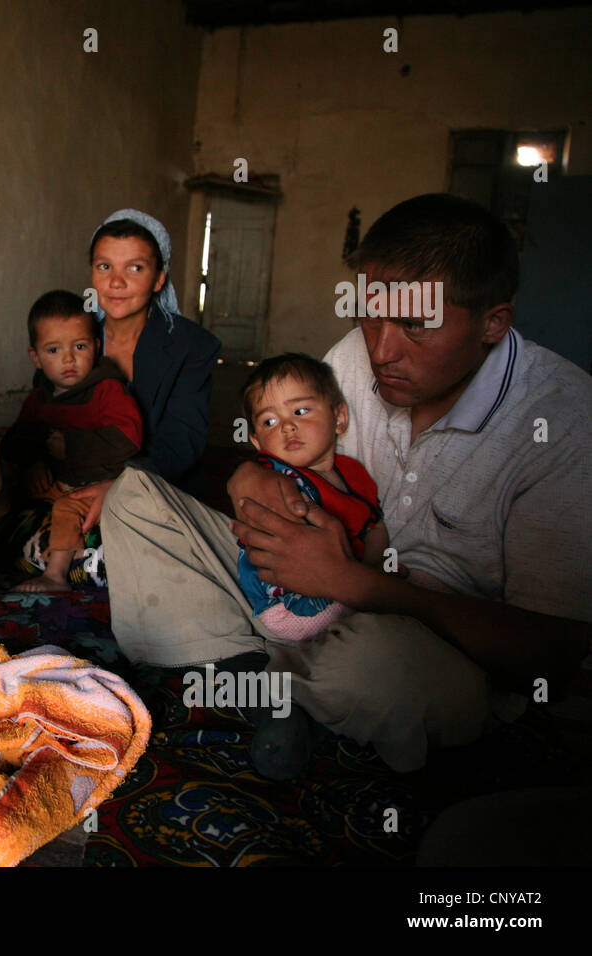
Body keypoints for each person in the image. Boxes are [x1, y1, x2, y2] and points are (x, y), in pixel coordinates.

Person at [102, 193, 592, 777]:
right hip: (297, 592)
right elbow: (285, 438)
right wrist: (248, 477)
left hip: (427, 638)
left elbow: (554, 654)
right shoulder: (353, 360)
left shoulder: (561, 420)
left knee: (376, 674)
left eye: (414, 325)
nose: (382, 349)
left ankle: (237, 663)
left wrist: (351, 582)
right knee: (132, 497)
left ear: (492, 323)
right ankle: (260, 674)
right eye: (370, 312)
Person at [14, 211, 221, 581]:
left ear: (158, 279)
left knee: (148, 552)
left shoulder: (192, 346)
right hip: (72, 484)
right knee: (1, 510)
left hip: (150, 482)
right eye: (104, 266)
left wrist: (120, 486)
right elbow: (45, 408)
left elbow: (183, 441)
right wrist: (36, 462)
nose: (117, 282)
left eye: (136, 268)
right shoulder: (74, 334)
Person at [235, 353, 393, 641]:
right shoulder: (277, 480)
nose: (287, 426)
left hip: (342, 583)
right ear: (257, 442)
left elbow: (375, 529)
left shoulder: (356, 474)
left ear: (339, 418)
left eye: (301, 411)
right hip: (283, 605)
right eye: (269, 421)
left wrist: (370, 575)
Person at [0, 291, 141, 592]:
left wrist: (72, 446)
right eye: (53, 350)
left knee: (65, 508)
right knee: (1, 490)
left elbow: (128, 438)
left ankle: (56, 574)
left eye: (79, 346)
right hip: (56, 485)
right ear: (35, 357)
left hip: (95, 488)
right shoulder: (39, 399)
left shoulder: (107, 389)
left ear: (96, 347)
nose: (68, 359)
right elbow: (18, 442)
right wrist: (32, 463)